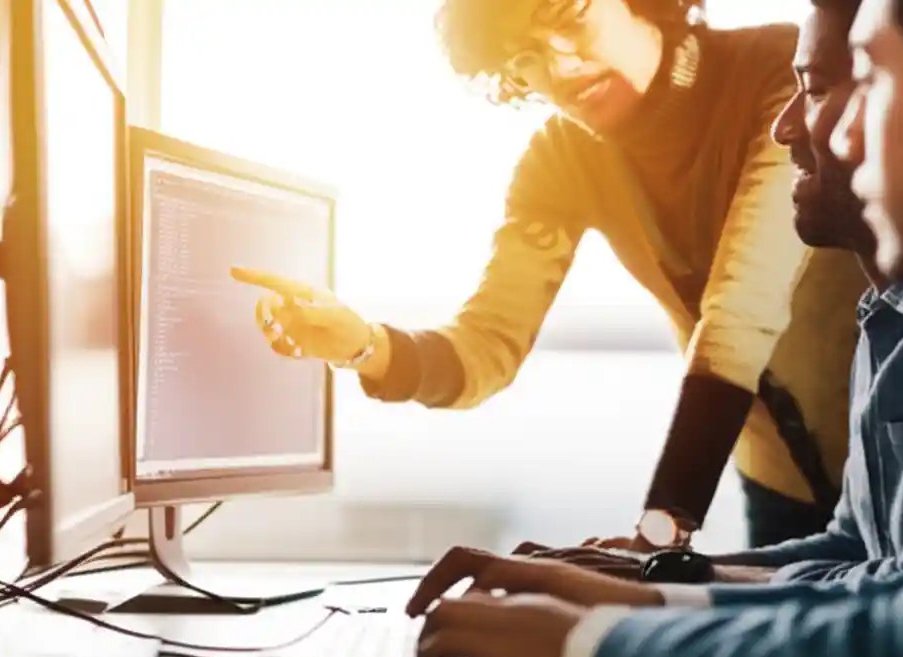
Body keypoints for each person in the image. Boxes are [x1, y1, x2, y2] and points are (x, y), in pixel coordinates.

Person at [404, 0, 903, 657]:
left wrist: (590, 642)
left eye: (869, 84)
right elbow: (890, 579)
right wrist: (642, 591)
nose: (833, 138)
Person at [232, 0, 869, 549]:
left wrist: (660, 530)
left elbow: (742, 311)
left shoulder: (780, 72)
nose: (559, 68)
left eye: (570, 16)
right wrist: (364, 345)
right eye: (525, 58)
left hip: (894, 450)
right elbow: (487, 345)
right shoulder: (561, 160)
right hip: (776, 484)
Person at [528, 0, 903, 587]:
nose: (783, 128)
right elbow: (854, 550)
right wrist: (655, 574)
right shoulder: (886, 320)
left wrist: (643, 591)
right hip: (777, 474)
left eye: (816, 91)